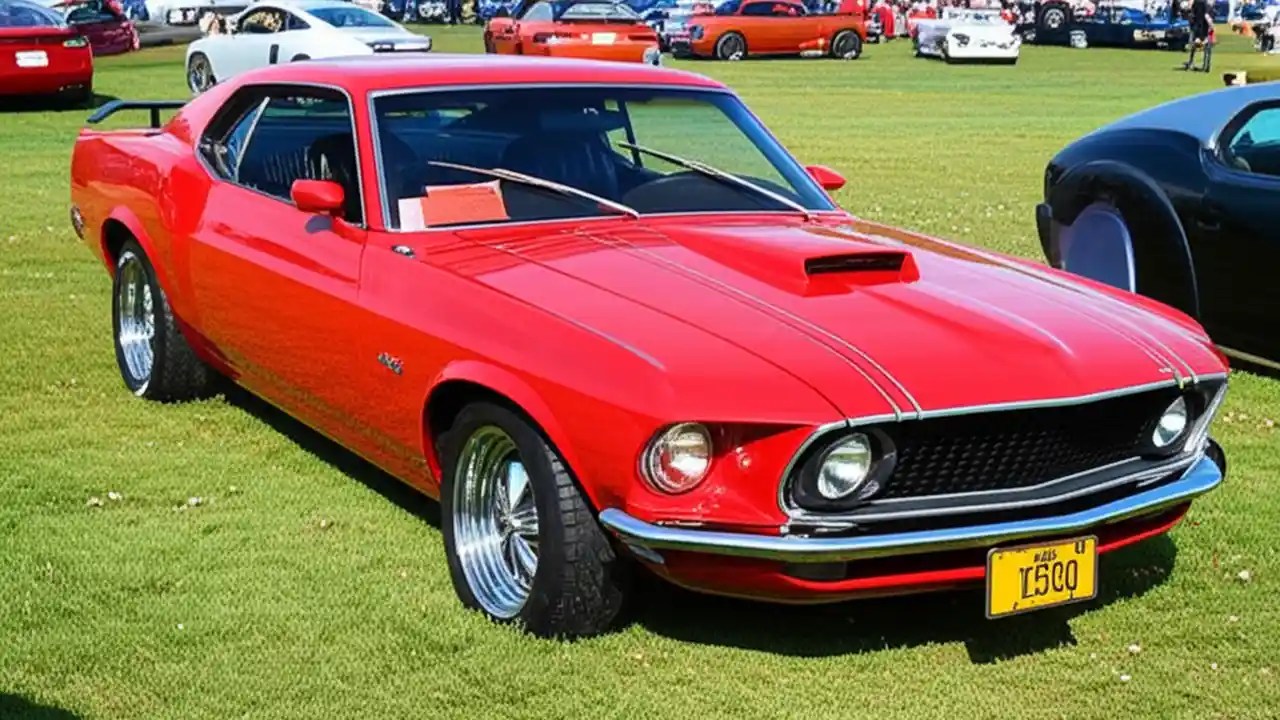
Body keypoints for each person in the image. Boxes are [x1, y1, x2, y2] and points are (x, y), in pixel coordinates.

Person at [1184, 0, 1210, 69]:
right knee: (1197, 42)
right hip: (1200, 24)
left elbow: (1192, 13)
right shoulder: (1203, 4)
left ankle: (1192, 61)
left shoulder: (1198, 4)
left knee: (1196, 42)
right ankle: (1193, 61)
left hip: (1199, 24)